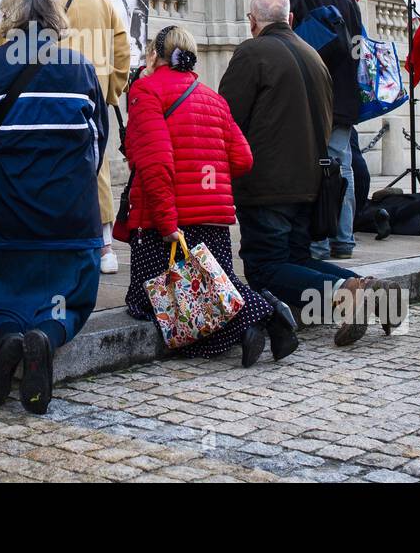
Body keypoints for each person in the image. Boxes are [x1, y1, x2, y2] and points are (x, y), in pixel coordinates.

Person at [0, 0, 108, 415]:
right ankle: (47, 334)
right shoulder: (79, 69)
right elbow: (97, 143)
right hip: (68, 217)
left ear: (8, 16)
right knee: (72, 295)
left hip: (3, 216)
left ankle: (6, 338)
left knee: (0, 295)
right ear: (54, 17)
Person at [219, 0, 399, 347]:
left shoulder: (252, 52)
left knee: (266, 268)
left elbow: (228, 119)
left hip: (267, 184)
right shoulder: (313, 55)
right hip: (311, 181)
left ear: (252, 22)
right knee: (296, 258)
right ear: (290, 19)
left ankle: (349, 291)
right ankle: (369, 290)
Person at [121, 25, 296, 366]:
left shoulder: (146, 91)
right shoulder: (212, 97)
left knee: (151, 304)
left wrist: (168, 222)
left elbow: (156, 166)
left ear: (155, 54)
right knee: (216, 287)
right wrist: (206, 171)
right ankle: (264, 316)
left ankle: (256, 321)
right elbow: (243, 159)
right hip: (214, 217)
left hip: (169, 222)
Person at [20, 0, 131, 276]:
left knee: (46, 166)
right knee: (96, 168)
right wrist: (110, 91)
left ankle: (55, 245)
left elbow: (11, 44)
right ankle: (105, 247)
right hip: (92, 95)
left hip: (43, 95)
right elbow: (122, 48)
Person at [286, 0, 364, 260]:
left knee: (313, 166)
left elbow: (288, 43)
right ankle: (343, 239)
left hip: (309, 91)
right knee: (340, 164)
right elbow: (359, 43)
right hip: (344, 93)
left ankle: (316, 242)